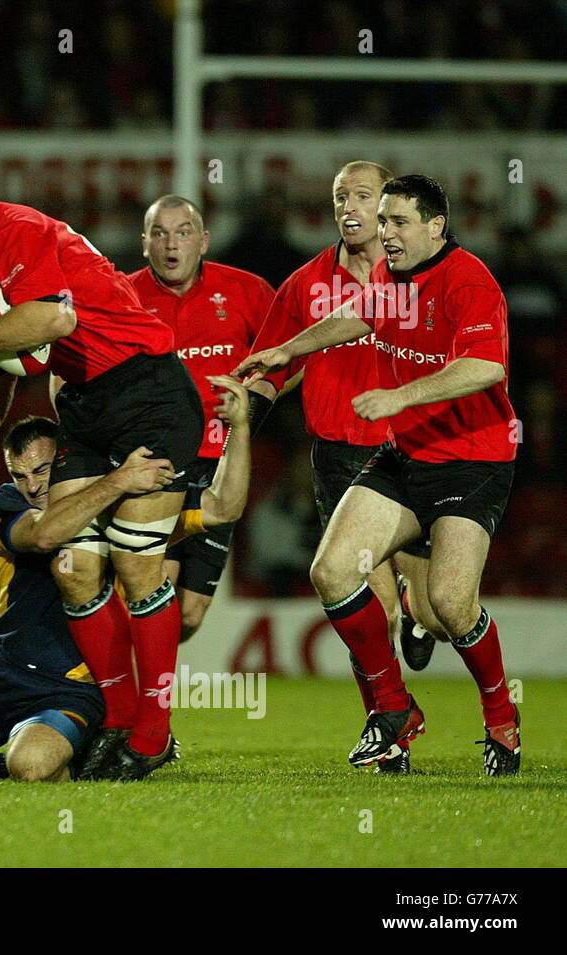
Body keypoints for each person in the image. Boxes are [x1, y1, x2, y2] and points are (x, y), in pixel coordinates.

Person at [0, 161, 203, 781]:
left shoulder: (9, 230)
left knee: (137, 565)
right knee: (74, 566)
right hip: (82, 402)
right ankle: (117, 716)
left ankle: (152, 734)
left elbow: (54, 318)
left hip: (148, 391)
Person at [235, 175, 521, 776]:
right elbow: (352, 317)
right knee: (332, 571)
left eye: (397, 222)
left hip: (474, 457)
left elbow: (485, 367)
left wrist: (400, 397)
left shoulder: (470, 280)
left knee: (449, 602)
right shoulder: (390, 280)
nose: (384, 232)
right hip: (407, 454)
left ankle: (501, 717)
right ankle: (394, 710)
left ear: (435, 226)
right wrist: (289, 349)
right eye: (382, 221)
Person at [0, 376, 254, 783]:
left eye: (42, 470)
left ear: (68, 462)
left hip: (74, 683)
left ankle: (77, 745)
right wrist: (120, 479)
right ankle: (77, 761)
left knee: (30, 767)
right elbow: (44, 534)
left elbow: (223, 508)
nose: (32, 485)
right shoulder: (4, 506)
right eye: (20, 475)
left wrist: (241, 430)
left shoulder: (128, 511)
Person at [246, 161, 435, 773]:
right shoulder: (304, 283)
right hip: (342, 458)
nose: (349, 207)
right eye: (338, 197)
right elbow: (274, 363)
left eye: (362, 195)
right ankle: (389, 726)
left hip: (413, 453)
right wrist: (241, 415)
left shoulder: (420, 276)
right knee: (364, 610)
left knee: (436, 609)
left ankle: (419, 612)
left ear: (387, 205)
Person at [127, 194, 275, 643]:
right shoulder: (122, 296)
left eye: (184, 233)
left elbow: (291, 359)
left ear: (204, 241)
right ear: (145, 243)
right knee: (155, 587)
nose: (172, 245)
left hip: (221, 465)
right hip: (159, 464)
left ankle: (140, 686)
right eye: (160, 233)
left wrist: (250, 404)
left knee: (189, 613)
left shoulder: (248, 291)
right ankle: (130, 700)